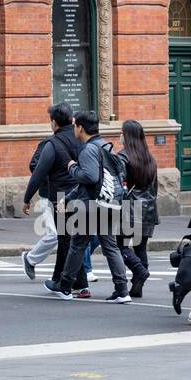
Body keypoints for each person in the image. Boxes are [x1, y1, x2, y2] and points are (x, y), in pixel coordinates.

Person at [49, 110, 130, 303]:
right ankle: (122, 290)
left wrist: (72, 167)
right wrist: (68, 198)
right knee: (110, 246)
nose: (73, 128)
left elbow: (89, 177)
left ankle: (66, 287)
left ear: (81, 128)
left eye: (75, 125)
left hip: (93, 206)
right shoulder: (107, 147)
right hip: (110, 203)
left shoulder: (88, 150)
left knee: (77, 245)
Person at [22, 103, 79, 282]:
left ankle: (64, 278)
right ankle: (32, 260)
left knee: (68, 239)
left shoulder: (79, 140)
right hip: (51, 196)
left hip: (71, 196)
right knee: (59, 236)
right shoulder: (49, 143)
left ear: (54, 122)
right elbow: (36, 167)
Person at [115, 120, 158, 298]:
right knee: (141, 248)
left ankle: (139, 271)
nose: (119, 135)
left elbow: (119, 186)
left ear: (127, 136)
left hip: (130, 209)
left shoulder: (122, 157)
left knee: (121, 246)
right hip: (148, 209)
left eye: (121, 132)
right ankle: (137, 286)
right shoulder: (150, 158)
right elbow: (155, 188)